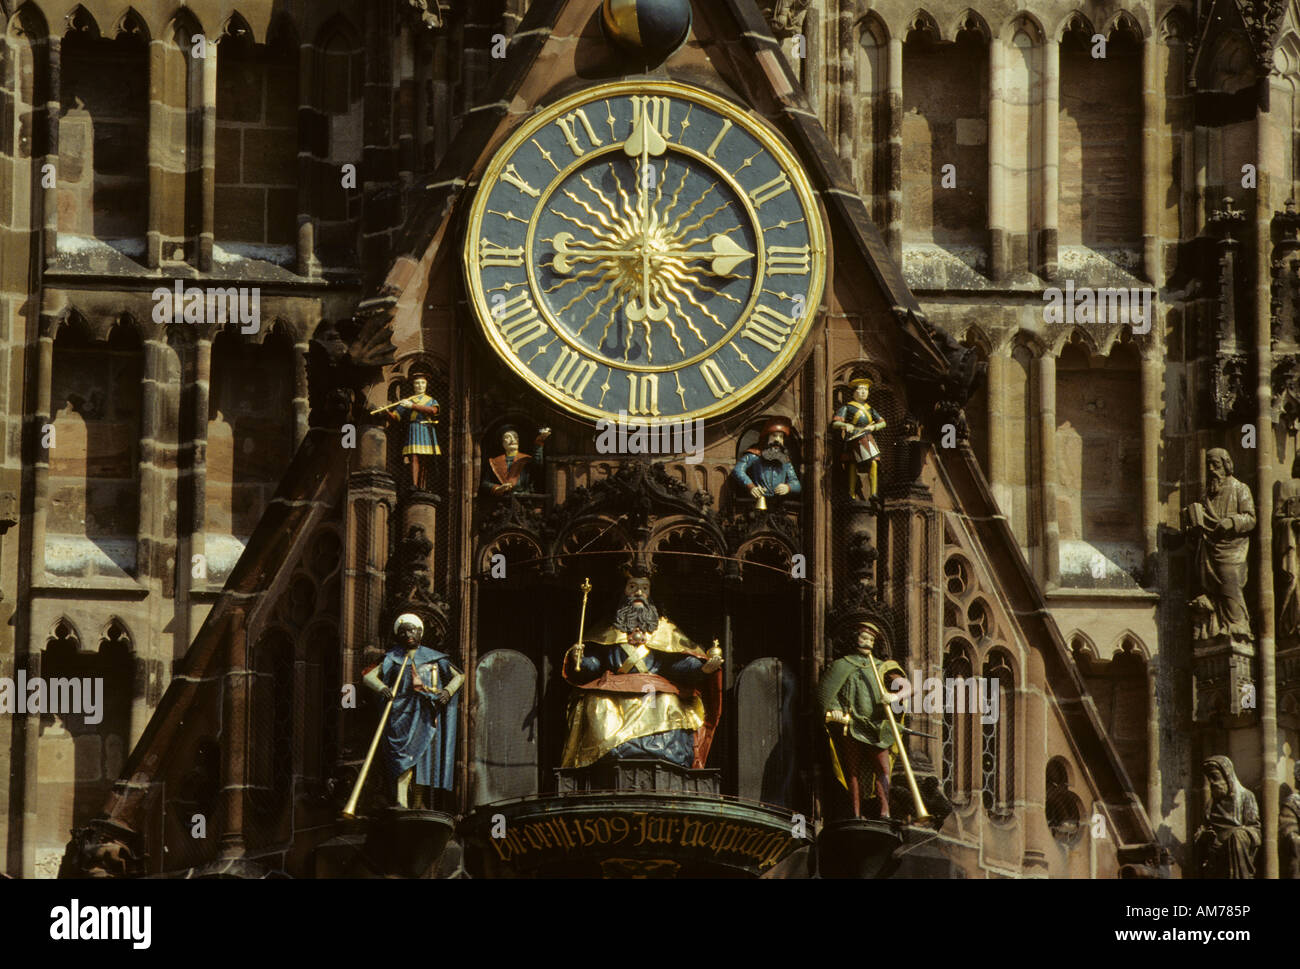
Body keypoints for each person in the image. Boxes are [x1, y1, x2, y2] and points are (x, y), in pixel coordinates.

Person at [561, 568, 722, 770]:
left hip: (652, 686)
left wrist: (702, 670)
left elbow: (674, 664)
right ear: (624, 592)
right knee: (596, 702)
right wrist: (581, 661)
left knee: (666, 701)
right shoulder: (607, 630)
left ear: (650, 594)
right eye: (633, 587)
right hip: (613, 687)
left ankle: (658, 755)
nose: (639, 593)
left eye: (644, 588)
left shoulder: (665, 630)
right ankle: (606, 757)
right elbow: (595, 664)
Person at [361, 613, 463, 809]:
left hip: (425, 714)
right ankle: (401, 801)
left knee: (422, 759)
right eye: (404, 631)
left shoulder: (434, 657)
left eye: (413, 630)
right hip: (400, 713)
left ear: (420, 633)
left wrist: (448, 692)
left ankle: (417, 802)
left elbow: (458, 676)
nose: (409, 634)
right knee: (402, 759)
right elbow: (368, 677)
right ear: (398, 635)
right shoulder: (393, 657)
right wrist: (382, 687)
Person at [816, 620, 913, 819]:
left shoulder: (883, 667)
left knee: (884, 771)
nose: (867, 642)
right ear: (856, 639)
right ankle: (855, 813)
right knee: (852, 771)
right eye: (863, 637)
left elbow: (908, 687)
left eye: (870, 639)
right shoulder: (841, 665)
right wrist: (834, 709)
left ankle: (884, 811)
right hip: (851, 726)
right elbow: (828, 694)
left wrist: (895, 696)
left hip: (877, 728)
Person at [1182, 448, 1255, 643]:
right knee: (1213, 588)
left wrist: (1231, 522)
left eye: (1216, 464)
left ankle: (1238, 626)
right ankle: (1218, 627)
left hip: (1232, 548)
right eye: (1209, 465)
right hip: (1210, 547)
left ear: (1226, 465)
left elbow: (1250, 519)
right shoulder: (1207, 495)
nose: (1211, 469)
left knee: (1230, 584)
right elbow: (1203, 521)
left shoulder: (1240, 488)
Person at [1194, 754, 1261, 878]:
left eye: (1215, 777)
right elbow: (1203, 829)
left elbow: (1255, 829)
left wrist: (1237, 835)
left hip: (1237, 846)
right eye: (1209, 779)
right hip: (1215, 849)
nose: (1212, 783)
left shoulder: (1246, 796)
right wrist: (1203, 835)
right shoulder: (1211, 804)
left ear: (1227, 776)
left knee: (1237, 836)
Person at [832, 377, 887, 501]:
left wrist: (874, 427)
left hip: (867, 436)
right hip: (853, 438)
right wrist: (846, 425)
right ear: (854, 392)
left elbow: (883, 423)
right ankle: (851, 493)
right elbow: (835, 423)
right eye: (861, 389)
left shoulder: (870, 409)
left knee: (873, 462)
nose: (863, 392)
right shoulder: (848, 407)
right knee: (852, 465)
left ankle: (873, 493)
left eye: (866, 390)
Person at [383, 373, 440, 490]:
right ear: (413, 385)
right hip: (414, 429)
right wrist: (385, 412)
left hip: (426, 429)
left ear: (426, 385)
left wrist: (412, 406)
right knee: (414, 457)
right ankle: (414, 484)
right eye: (417, 383)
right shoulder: (407, 401)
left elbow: (433, 411)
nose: (420, 385)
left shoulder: (430, 400)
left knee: (425, 459)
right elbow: (396, 417)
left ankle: (423, 486)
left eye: (422, 383)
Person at [731, 418, 801, 504]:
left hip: (778, 505)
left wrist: (788, 487)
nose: (778, 440)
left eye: (781, 437)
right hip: (756, 503)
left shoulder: (785, 461)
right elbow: (737, 470)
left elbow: (797, 484)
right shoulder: (755, 455)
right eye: (774, 436)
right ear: (766, 437)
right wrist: (751, 487)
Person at [481, 425, 551, 497]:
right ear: (502, 442)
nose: (513, 440)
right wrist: (498, 488)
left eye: (515, 437)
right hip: (501, 501)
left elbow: (537, 465)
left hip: (523, 499)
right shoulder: (495, 462)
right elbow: (485, 483)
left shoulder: (526, 459)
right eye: (508, 437)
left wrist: (538, 443)